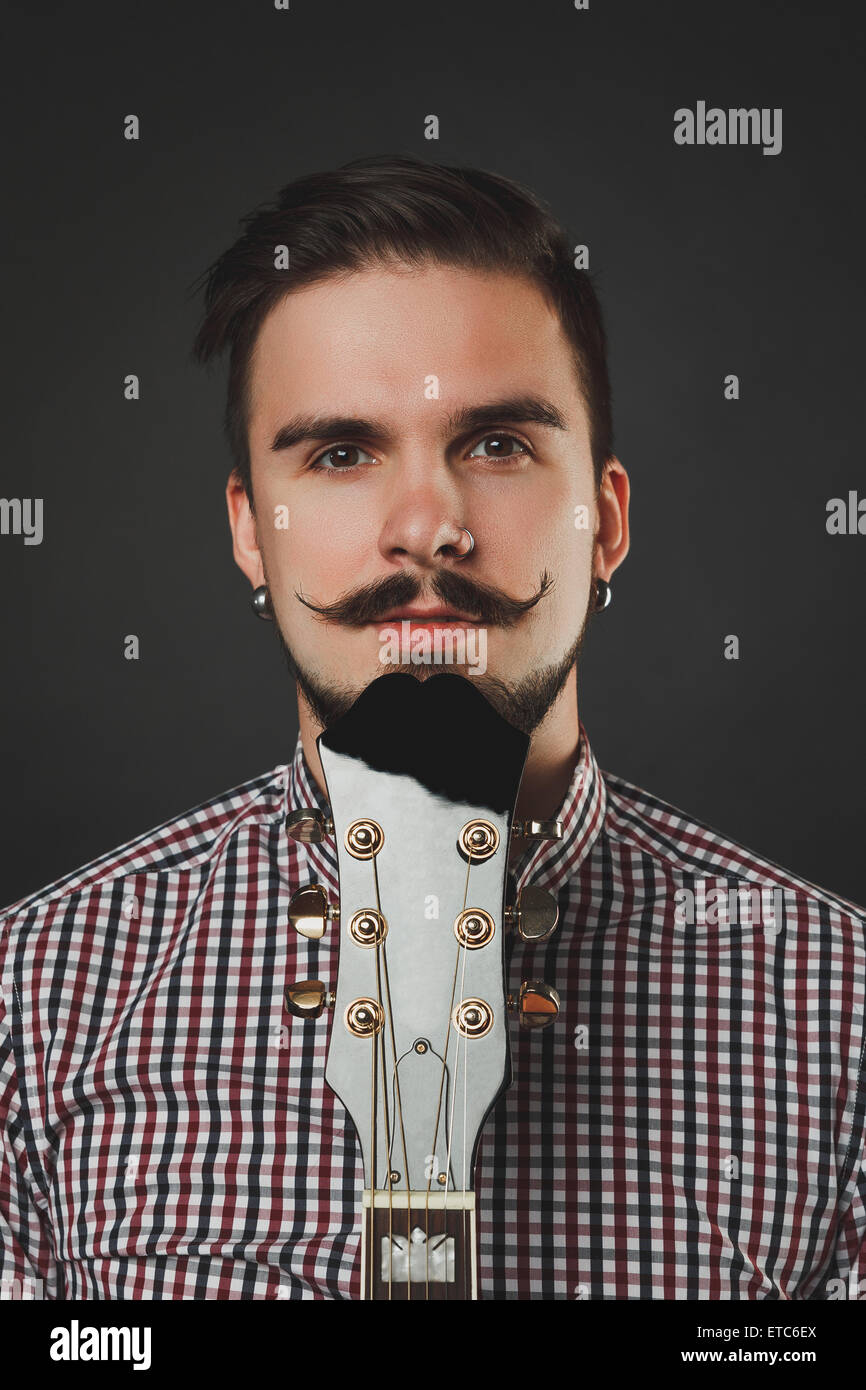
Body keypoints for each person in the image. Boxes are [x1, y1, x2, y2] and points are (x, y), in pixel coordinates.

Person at [1, 156, 863, 1301]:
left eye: (497, 444)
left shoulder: (840, 1012)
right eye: (342, 454)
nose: (426, 529)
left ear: (603, 523)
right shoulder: (36, 994)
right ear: (252, 531)